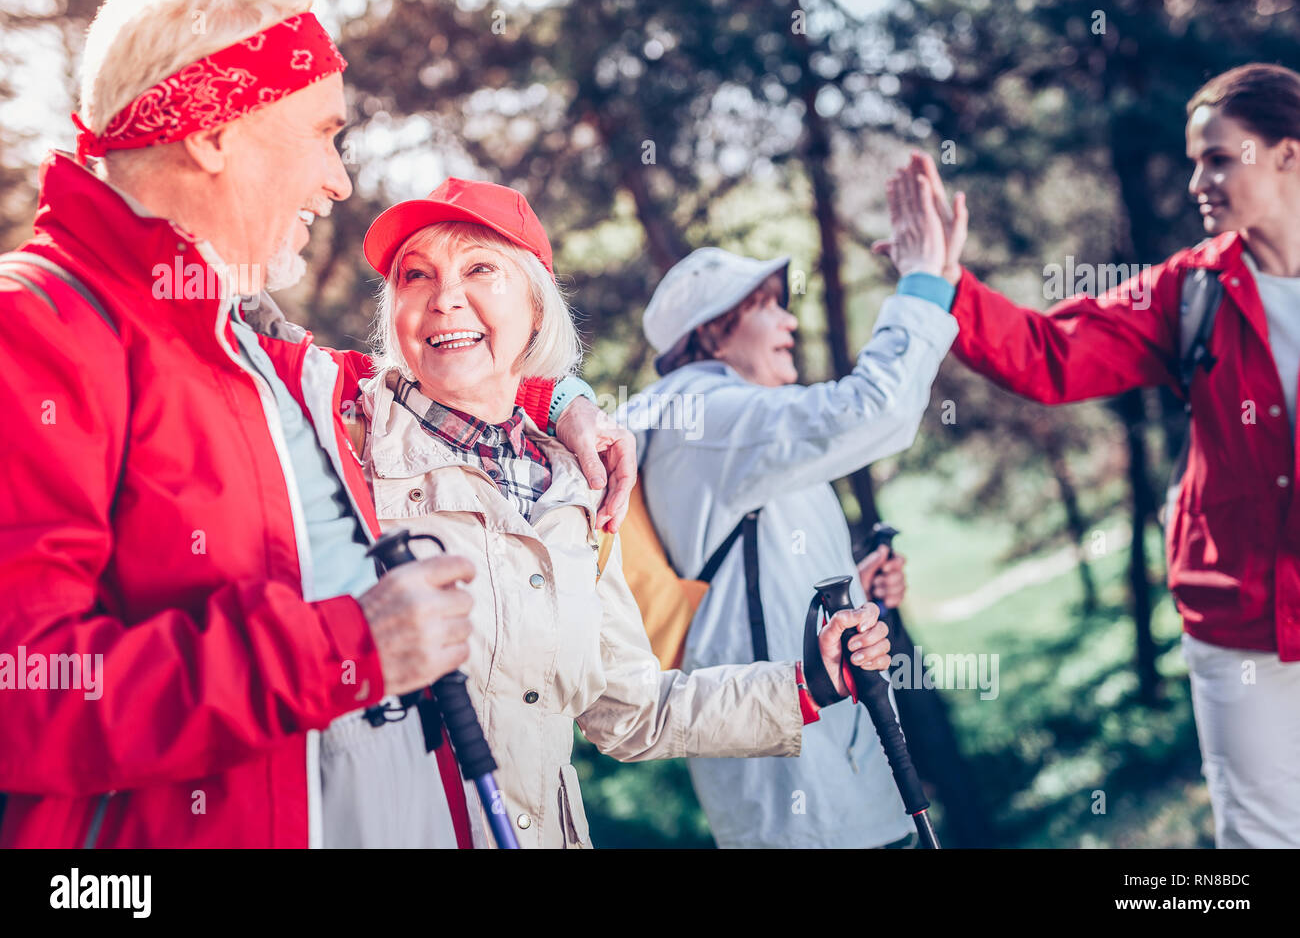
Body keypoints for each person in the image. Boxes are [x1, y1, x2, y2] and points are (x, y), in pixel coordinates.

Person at [0, 0, 629, 848]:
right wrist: (348, 648)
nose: (338, 181)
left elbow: (445, 379)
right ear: (213, 131)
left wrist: (556, 401)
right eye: (323, 133)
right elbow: (23, 695)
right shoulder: (31, 331)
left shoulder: (252, 349)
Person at [347, 177, 897, 848]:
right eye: (415, 275)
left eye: (479, 268)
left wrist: (808, 683)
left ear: (536, 307)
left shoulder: (578, 484)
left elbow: (631, 712)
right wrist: (564, 396)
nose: (445, 297)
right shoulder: (346, 438)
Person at [889, 63, 1300, 848]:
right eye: (1193, 162)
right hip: (1238, 627)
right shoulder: (1192, 293)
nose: (1196, 183)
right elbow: (1054, 355)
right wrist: (945, 285)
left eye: (1218, 158)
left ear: (1287, 154)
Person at [621, 179, 962, 847]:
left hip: (818, 779)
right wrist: (922, 284)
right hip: (805, 798)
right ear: (713, 333)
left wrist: (856, 581)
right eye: (765, 308)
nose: (791, 322)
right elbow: (877, 409)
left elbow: (751, 568)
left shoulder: (724, 421)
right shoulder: (710, 414)